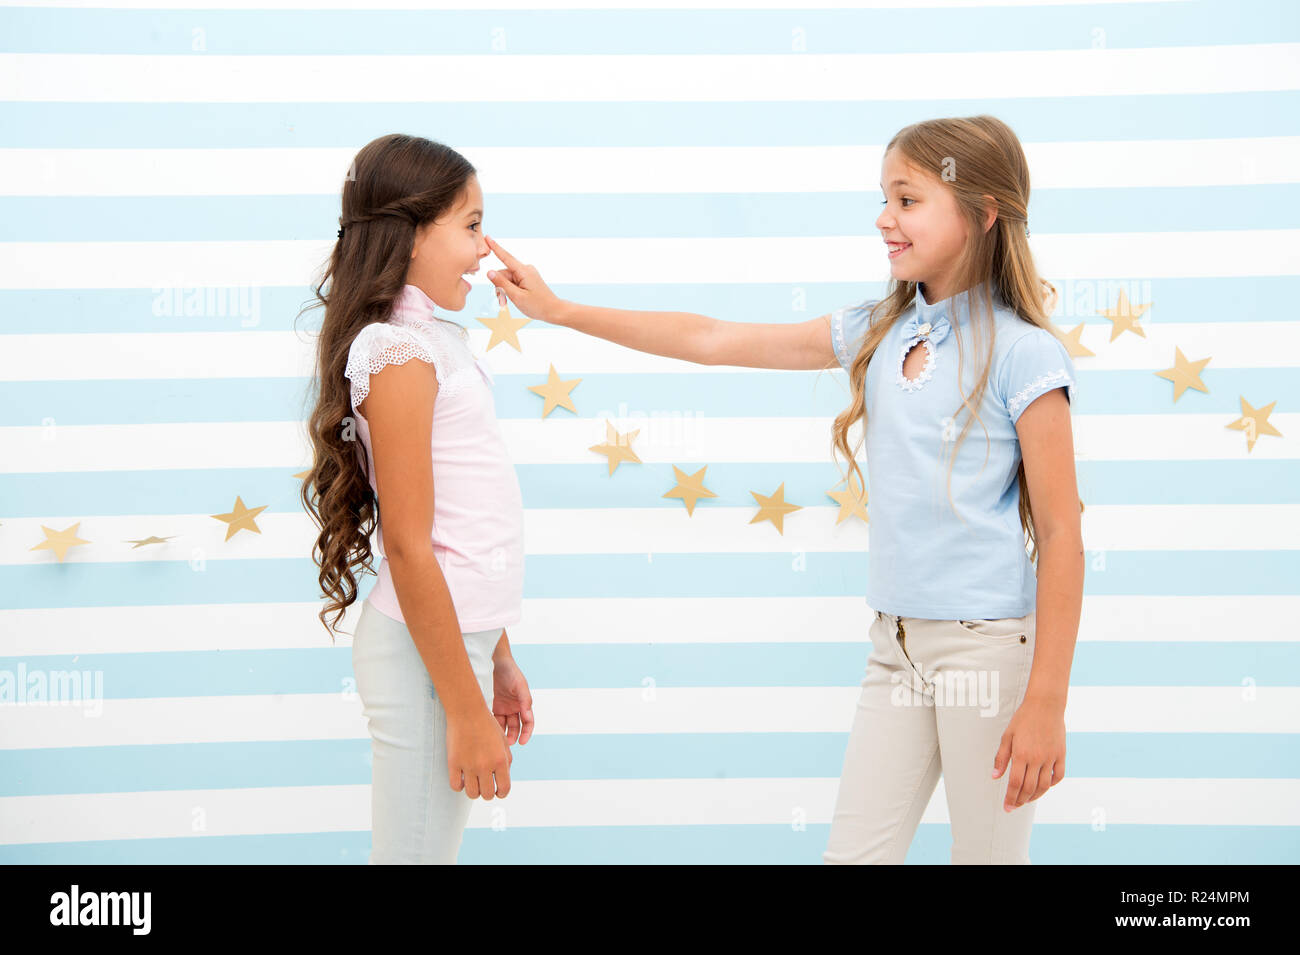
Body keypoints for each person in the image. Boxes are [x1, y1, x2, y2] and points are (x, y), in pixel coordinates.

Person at [482, 115, 1083, 864]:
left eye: (907, 199)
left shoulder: (1025, 354)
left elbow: (1061, 532)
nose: (883, 217)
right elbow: (712, 340)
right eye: (884, 198)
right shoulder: (879, 328)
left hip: (986, 651)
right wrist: (563, 310)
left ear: (984, 213)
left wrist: (1046, 699)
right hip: (894, 646)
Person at [299, 133, 535, 864]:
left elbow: (463, 526)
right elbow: (409, 540)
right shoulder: (398, 350)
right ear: (409, 233)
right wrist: (462, 705)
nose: (485, 248)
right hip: (424, 658)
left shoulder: (435, 341)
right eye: (469, 226)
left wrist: (496, 654)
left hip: (452, 647)